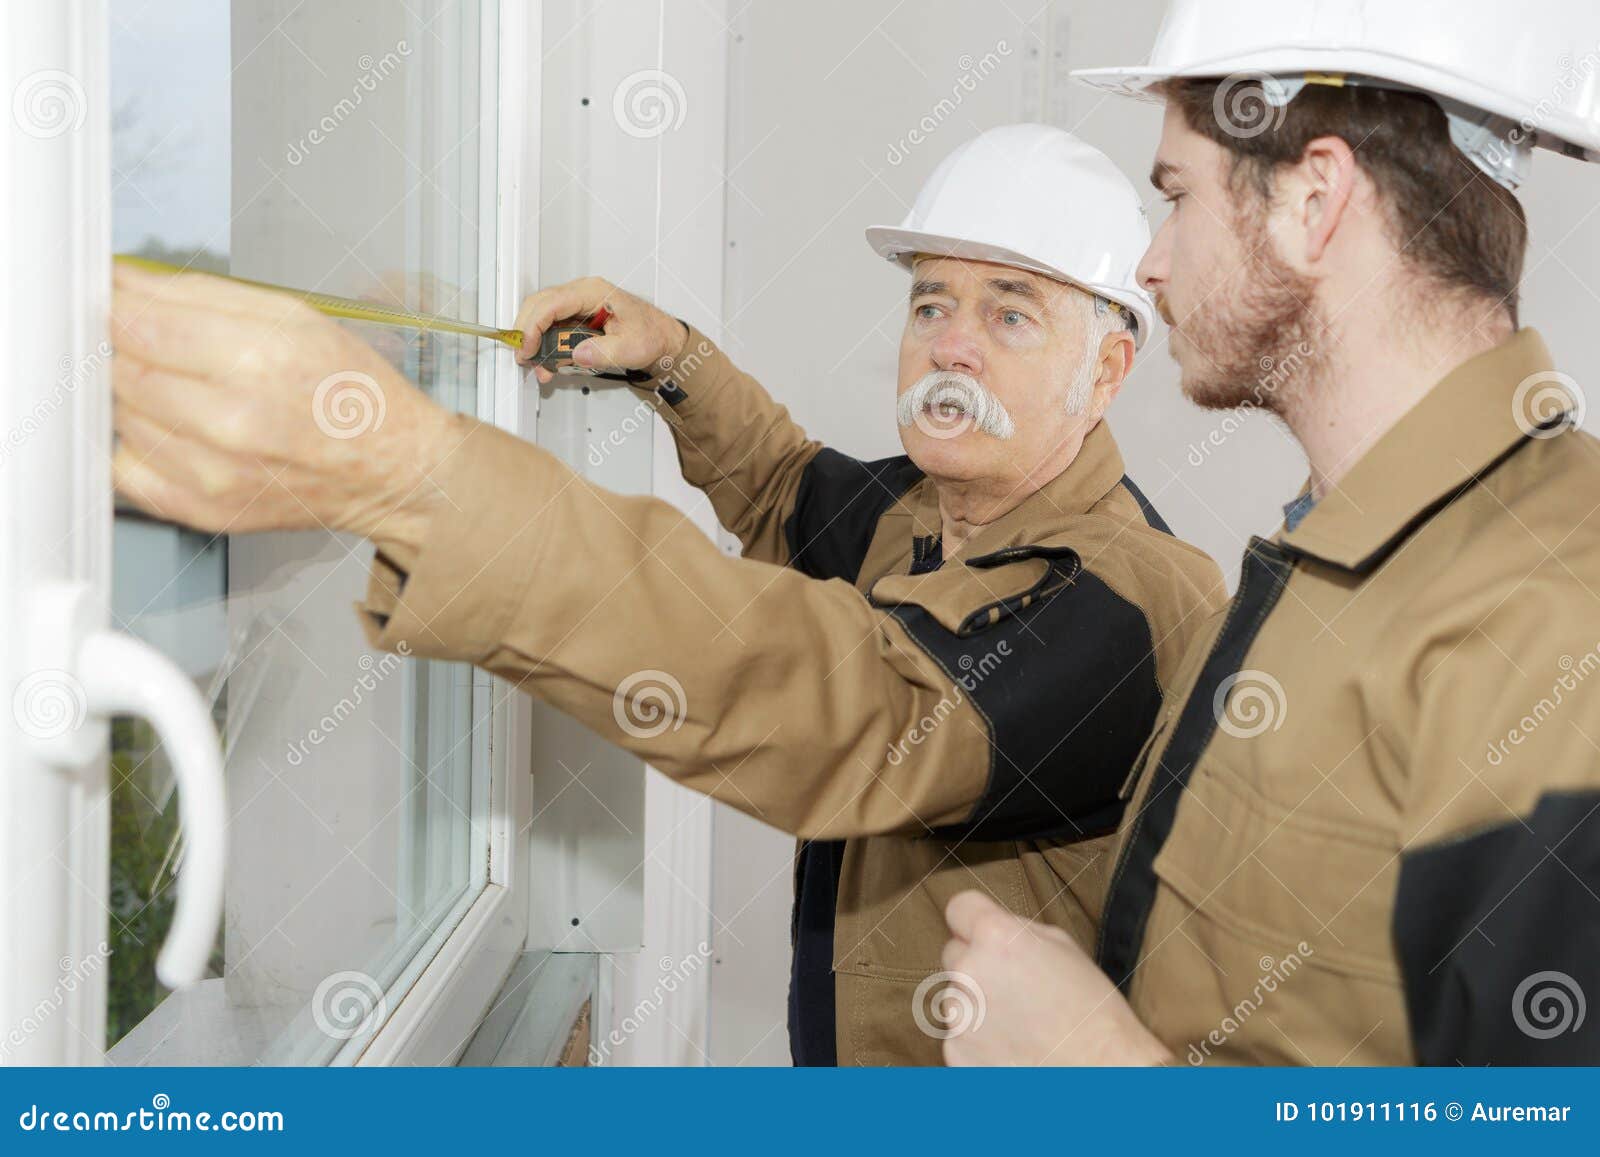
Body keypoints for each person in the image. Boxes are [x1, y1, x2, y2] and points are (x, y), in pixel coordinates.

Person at [108, 125, 1224, 1065]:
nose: (952, 347)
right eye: (931, 304)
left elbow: (863, 708)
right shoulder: (921, 514)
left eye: (1010, 314)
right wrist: (667, 358)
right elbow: (787, 483)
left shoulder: (1129, 603)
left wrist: (426, 481)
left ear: (1110, 368)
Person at [939, 0, 1600, 1066]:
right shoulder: (1331, 552)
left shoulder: (1555, 618)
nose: (1150, 263)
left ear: (1312, 198)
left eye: (1177, 196)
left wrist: (1100, 1077)